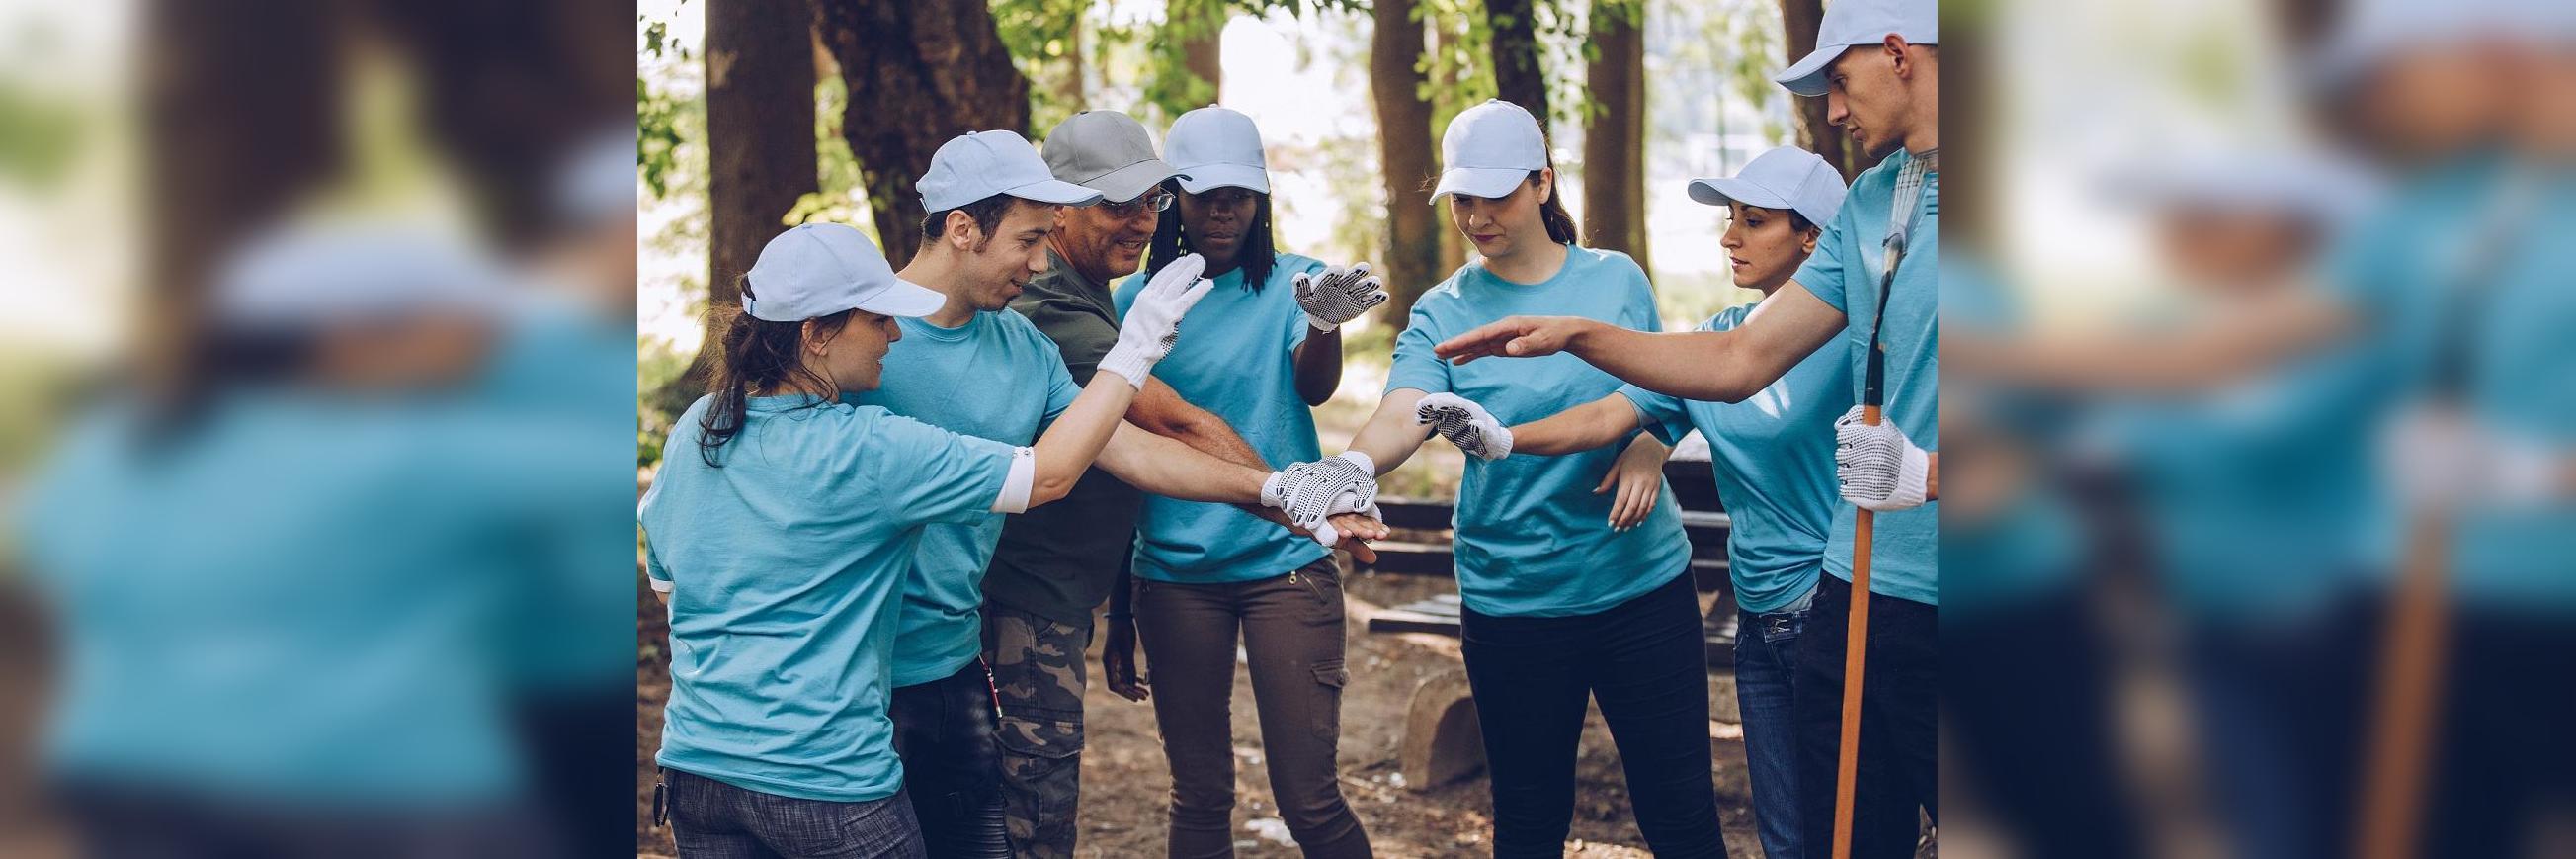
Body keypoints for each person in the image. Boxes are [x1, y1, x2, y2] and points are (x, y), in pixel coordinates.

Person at [638, 222, 1369, 858]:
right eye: (878, 319)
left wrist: (1274, 490)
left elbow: (669, 580)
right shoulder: (870, 447)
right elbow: (1048, 475)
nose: (894, 334)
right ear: (816, 334)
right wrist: (1134, 351)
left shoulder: (703, 424)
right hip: (825, 779)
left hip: (698, 770)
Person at [1429, 1, 1941, 853]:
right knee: (1842, 839)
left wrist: (1932, 474)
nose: (1832, 112)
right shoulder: (1873, 199)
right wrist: (1577, 334)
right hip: (1855, 592)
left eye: (1839, 82)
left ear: (1897, 53)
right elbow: (1736, 358)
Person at [856, 129, 1384, 858]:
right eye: (1030, 239)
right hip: (857, 665)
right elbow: (1076, 462)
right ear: (963, 228)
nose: (1039, 262)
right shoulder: (861, 339)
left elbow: (1129, 450)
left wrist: (1281, 488)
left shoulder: (1022, 345)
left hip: (951, 662)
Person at [1415, 144, 1847, 859]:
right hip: (1758, 616)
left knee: (1864, 821)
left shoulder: (1862, 338)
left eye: (1754, 221)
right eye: (1731, 219)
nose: (1729, 237)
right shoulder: (1717, 340)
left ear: (1813, 239)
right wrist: (1505, 439)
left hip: (1834, 607)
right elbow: (1613, 413)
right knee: (1788, 836)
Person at [1321, 97, 1720, 857]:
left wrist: (1650, 442)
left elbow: (1659, 388)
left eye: (1495, 196)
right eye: (1461, 199)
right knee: (1530, 824)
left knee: (1681, 817)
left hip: (1638, 587)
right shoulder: (1441, 310)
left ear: (1541, 182)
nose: (1476, 217)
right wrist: (1352, 464)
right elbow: (1406, 408)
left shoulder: (1616, 280)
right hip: (1512, 599)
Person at [1114, 105, 1383, 858]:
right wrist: (1119, 610)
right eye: (1205, 195)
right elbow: (1122, 449)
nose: (1222, 211)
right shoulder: (1134, 303)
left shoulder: (1299, 282)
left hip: (1284, 564)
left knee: (1310, 800)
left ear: (1260, 199)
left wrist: (1323, 326)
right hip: (1174, 572)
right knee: (1198, 796)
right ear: (1173, 198)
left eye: (1239, 195)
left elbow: (1314, 388)